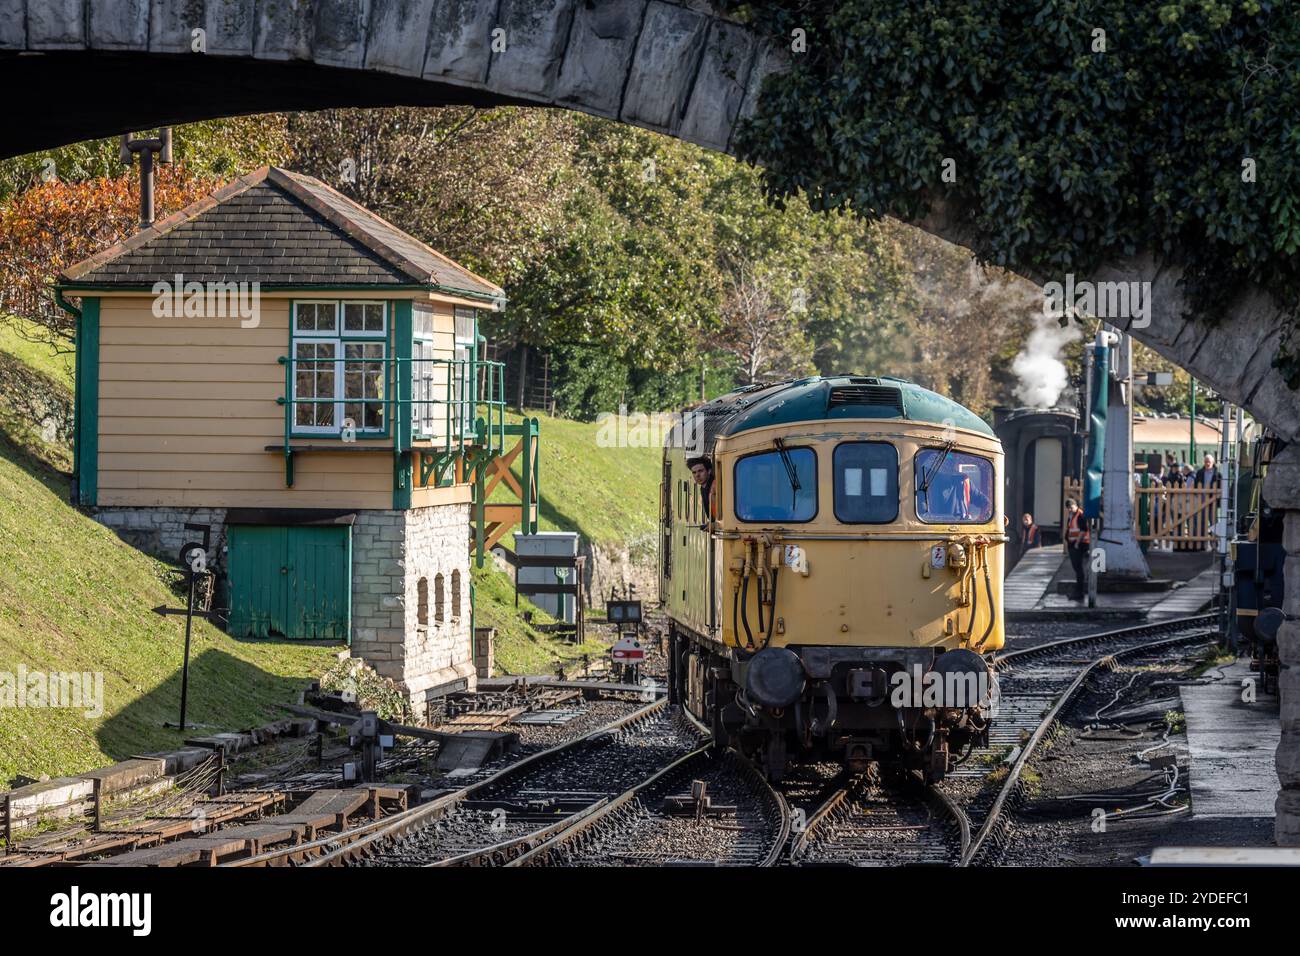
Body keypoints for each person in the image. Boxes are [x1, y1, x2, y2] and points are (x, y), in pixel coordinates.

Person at [1064, 497, 1090, 601]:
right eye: (1068, 508)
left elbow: (1084, 530)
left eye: (1071, 507)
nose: (1070, 509)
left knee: (1078, 569)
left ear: (1076, 505)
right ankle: (1078, 591)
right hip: (1073, 544)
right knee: (1077, 569)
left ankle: (1079, 592)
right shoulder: (1071, 516)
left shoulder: (1080, 515)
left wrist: (1077, 543)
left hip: (1079, 545)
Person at [687, 456, 716, 525]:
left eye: (700, 471)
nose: (697, 475)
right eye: (694, 472)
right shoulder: (703, 488)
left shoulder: (714, 486)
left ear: (709, 471)